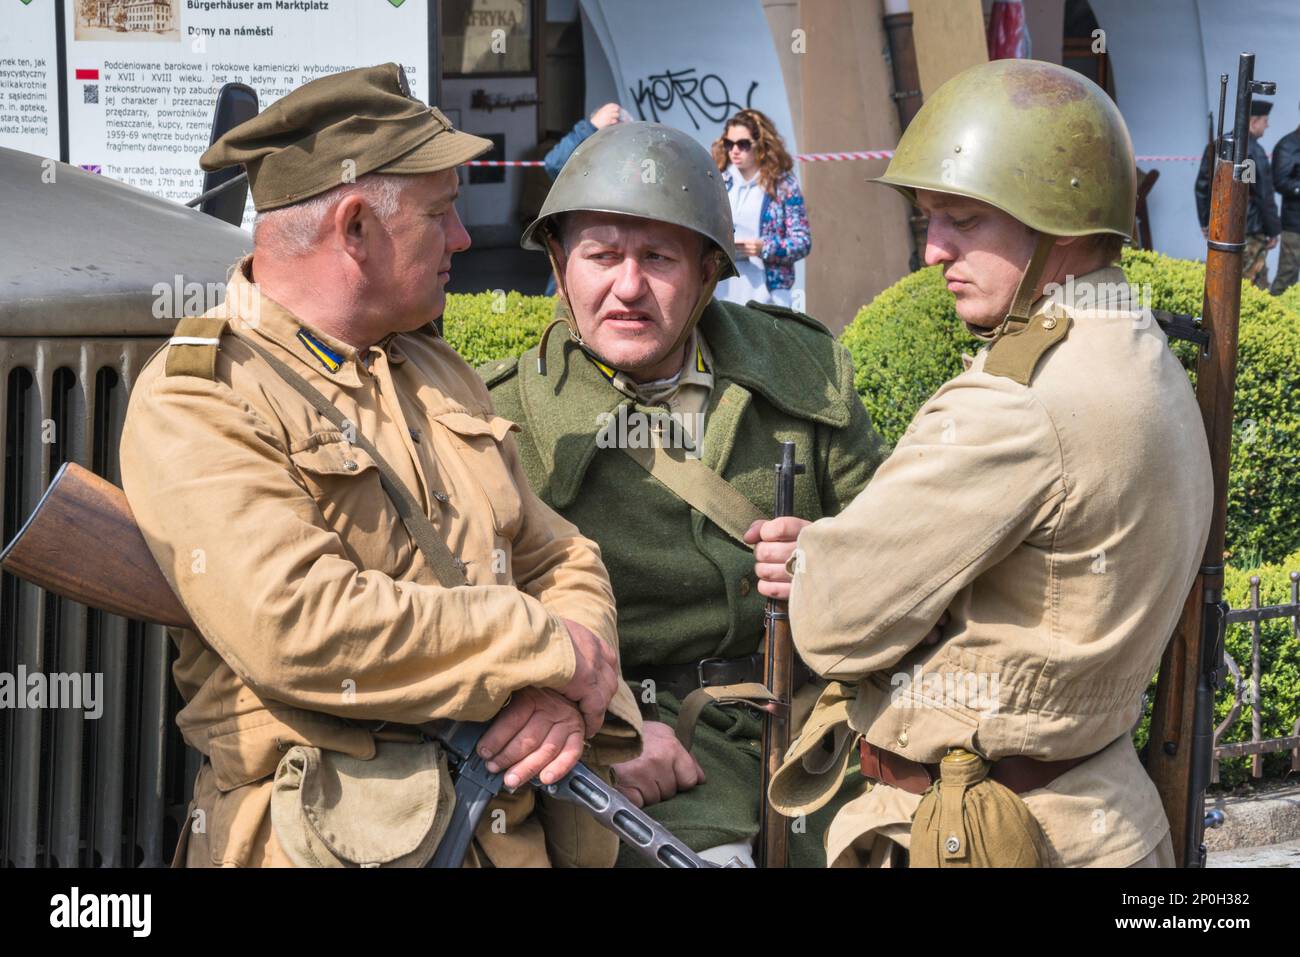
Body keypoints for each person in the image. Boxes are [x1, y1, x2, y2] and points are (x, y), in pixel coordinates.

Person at [119, 63, 640, 868]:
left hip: (503, 831)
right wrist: (545, 647)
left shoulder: (432, 369)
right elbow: (298, 624)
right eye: (442, 212)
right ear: (356, 229)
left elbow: (559, 554)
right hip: (331, 841)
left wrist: (568, 691)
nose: (465, 239)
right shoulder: (203, 396)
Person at [763, 59, 1213, 867]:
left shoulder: (1015, 401)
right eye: (930, 217)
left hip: (987, 834)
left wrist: (818, 558)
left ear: (1061, 223)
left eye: (964, 219)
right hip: (1104, 815)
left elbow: (833, 623)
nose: (934, 250)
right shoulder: (1142, 346)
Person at [480, 121, 885, 867]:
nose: (627, 287)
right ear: (561, 264)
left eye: (658, 258)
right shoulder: (505, 418)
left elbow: (903, 553)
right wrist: (614, 733)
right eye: (601, 256)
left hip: (821, 733)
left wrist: (834, 561)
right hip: (650, 756)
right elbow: (477, 626)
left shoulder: (804, 371)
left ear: (707, 273)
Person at [710, 108, 810, 308]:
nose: (734, 150)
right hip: (722, 290)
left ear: (761, 145)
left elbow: (802, 242)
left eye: (743, 144)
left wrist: (764, 247)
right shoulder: (718, 181)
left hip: (769, 293)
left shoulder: (783, 186)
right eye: (729, 144)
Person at [540, 102, 625, 296]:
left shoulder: (635, 168)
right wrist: (591, 126)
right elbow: (554, 164)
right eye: (607, 134)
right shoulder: (583, 168)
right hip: (582, 254)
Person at [1197, 99, 1279, 289]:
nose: (1267, 126)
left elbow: (1202, 186)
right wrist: (1273, 230)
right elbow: (1263, 196)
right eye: (1265, 121)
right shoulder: (1255, 152)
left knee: (1231, 278)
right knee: (1247, 285)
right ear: (1253, 122)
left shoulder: (1216, 146)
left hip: (1221, 223)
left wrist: (1205, 221)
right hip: (1250, 228)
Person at [1270, 104, 1300, 295]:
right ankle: (1275, 321)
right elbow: (1280, 182)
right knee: (1286, 279)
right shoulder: (1287, 145)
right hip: (1295, 227)